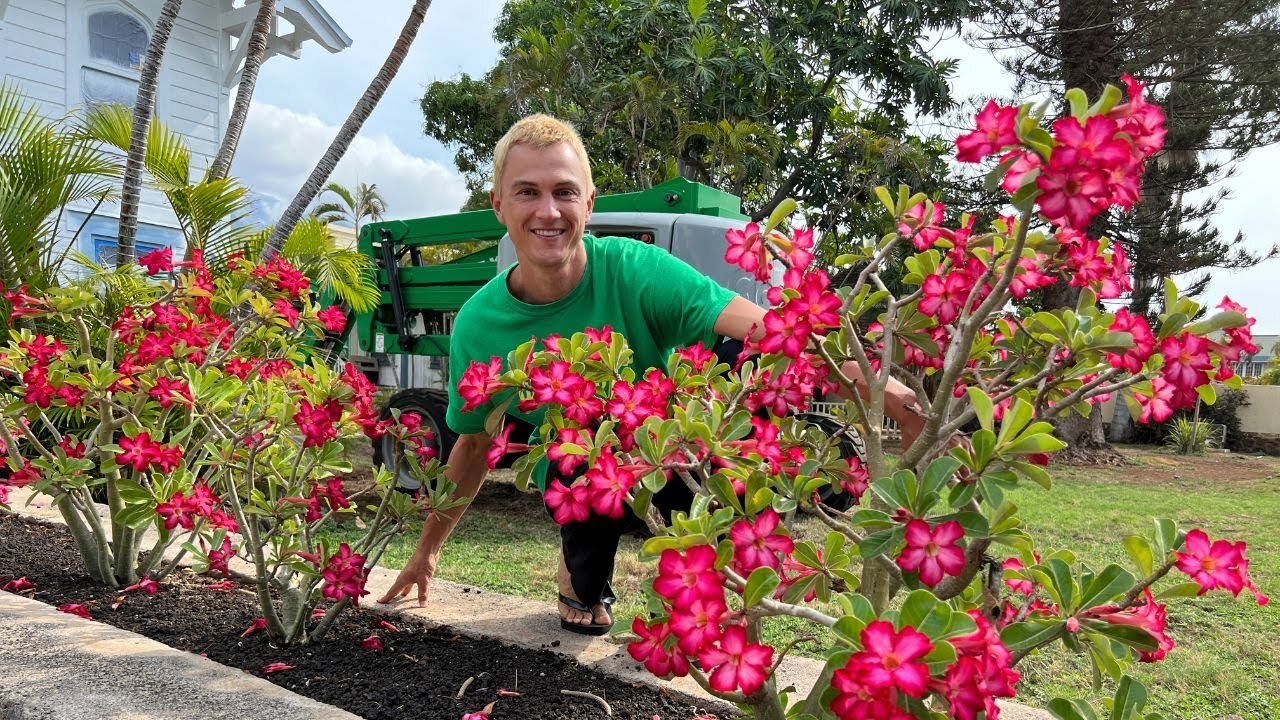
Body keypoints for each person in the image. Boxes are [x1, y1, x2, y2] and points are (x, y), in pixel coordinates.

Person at [377, 114, 929, 633]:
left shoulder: (633, 268)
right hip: (582, 466)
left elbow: (762, 328)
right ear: (499, 204)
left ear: (588, 203)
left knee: (749, 358)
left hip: (674, 443)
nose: (549, 210)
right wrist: (428, 550)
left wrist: (891, 391)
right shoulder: (478, 325)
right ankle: (580, 576)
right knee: (585, 588)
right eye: (528, 192)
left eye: (564, 191)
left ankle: (712, 552)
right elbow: (472, 447)